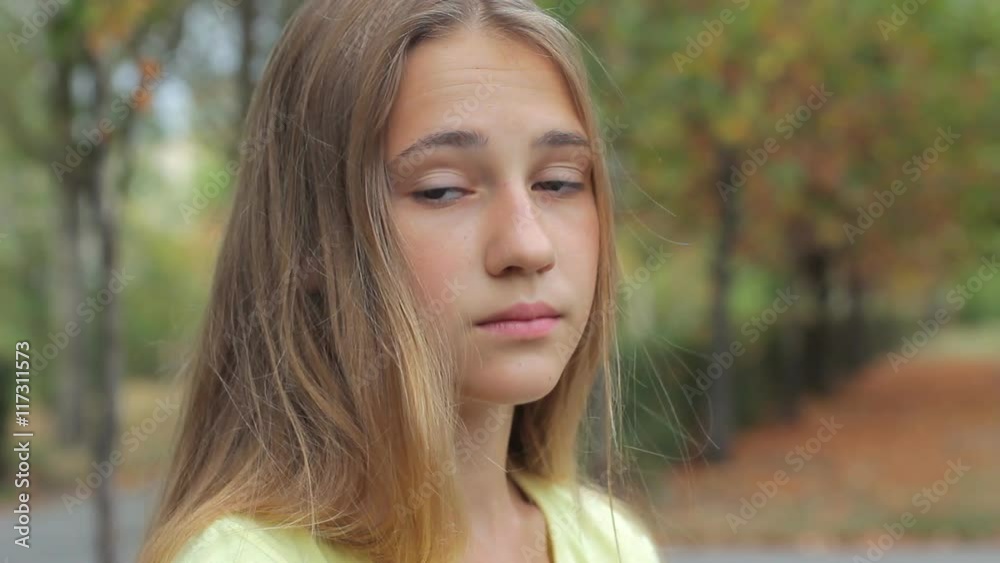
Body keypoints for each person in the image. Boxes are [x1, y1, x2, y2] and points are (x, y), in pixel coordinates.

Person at [139, 0, 661, 561]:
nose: (529, 246)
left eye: (557, 182)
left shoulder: (612, 542)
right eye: (441, 189)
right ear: (311, 243)